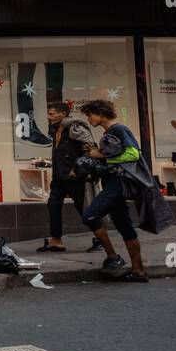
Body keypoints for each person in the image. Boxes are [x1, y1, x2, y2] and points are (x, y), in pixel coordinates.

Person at [78, 99, 149, 282]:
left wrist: (100, 156)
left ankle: (112, 257)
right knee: (124, 225)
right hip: (112, 182)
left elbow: (134, 153)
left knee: (90, 216)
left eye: (90, 115)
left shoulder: (119, 129)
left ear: (101, 113)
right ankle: (138, 271)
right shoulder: (110, 132)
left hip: (117, 184)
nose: (89, 119)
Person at [38, 103, 105, 254]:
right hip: (59, 176)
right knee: (53, 205)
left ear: (63, 114)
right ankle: (56, 240)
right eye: (48, 114)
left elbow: (90, 149)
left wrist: (77, 168)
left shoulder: (76, 128)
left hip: (74, 177)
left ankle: (101, 240)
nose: (49, 117)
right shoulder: (56, 128)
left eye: (52, 114)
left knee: (84, 209)